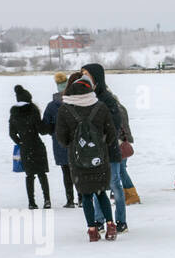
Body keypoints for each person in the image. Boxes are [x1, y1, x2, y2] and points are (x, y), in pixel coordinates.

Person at [53, 70, 117, 241]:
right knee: (101, 192)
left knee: (86, 195)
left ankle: (92, 230)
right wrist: (100, 145)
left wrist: (74, 145)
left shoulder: (65, 109)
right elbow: (111, 133)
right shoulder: (100, 107)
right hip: (99, 158)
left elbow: (61, 137)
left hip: (78, 159)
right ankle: (111, 226)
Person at [81, 63, 128, 232]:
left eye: (86, 73)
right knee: (96, 187)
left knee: (114, 184)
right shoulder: (85, 96)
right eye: (82, 74)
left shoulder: (106, 98)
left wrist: (100, 136)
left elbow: (115, 124)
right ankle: (99, 219)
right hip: (93, 151)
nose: (83, 77)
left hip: (109, 148)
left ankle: (121, 220)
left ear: (96, 76)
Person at [9, 85, 50, 209]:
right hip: (37, 145)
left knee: (29, 175)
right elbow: (41, 130)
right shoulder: (33, 109)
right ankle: (47, 200)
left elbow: (11, 133)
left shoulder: (14, 113)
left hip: (25, 148)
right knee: (42, 174)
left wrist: (21, 142)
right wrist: (49, 126)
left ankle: (31, 202)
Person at [40, 72, 76, 208]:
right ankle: (83, 198)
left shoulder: (51, 106)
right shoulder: (75, 101)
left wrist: (53, 131)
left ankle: (70, 200)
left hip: (60, 143)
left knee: (66, 172)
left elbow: (45, 127)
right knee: (77, 171)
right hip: (75, 142)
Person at [116, 98, 139, 205]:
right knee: (121, 170)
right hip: (122, 141)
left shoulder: (116, 109)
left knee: (121, 171)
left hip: (119, 142)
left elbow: (121, 127)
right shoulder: (119, 107)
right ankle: (126, 194)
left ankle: (132, 195)